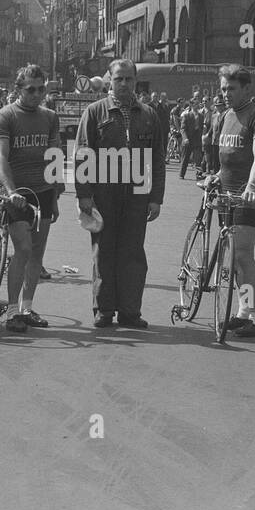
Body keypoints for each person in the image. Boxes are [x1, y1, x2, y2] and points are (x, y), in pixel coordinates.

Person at [74, 58, 164, 329]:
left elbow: (156, 158)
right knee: (104, 251)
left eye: (129, 79)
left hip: (137, 192)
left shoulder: (148, 114)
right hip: (104, 191)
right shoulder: (95, 111)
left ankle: (130, 311)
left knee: (133, 253)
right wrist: (84, 195)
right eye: (119, 79)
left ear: (136, 81)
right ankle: (104, 309)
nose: (124, 84)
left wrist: (155, 197)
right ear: (109, 81)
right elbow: (82, 154)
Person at [0, 65, 64, 334]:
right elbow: (0, 156)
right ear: (18, 90)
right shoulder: (5, 115)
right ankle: (12, 311)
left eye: (41, 89)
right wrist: (11, 191)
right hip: (16, 192)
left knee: (37, 252)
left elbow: (54, 154)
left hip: (43, 191)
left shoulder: (50, 116)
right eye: (30, 89)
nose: (36, 94)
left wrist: (55, 195)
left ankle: (27, 307)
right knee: (22, 249)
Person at [214, 64, 255, 338]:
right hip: (224, 195)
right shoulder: (225, 115)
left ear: (247, 88)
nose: (226, 93)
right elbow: (226, 156)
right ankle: (242, 312)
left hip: (245, 196)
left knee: (244, 256)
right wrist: (215, 176)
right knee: (234, 259)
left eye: (231, 89)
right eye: (223, 88)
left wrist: (252, 185)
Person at [178, 94, 203, 179]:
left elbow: (202, 128)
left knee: (198, 159)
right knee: (185, 158)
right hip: (188, 139)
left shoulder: (201, 116)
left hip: (197, 140)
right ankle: (181, 174)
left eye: (198, 104)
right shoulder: (186, 115)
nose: (197, 106)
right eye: (195, 104)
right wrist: (185, 138)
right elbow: (183, 129)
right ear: (191, 105)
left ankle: (198, 175)